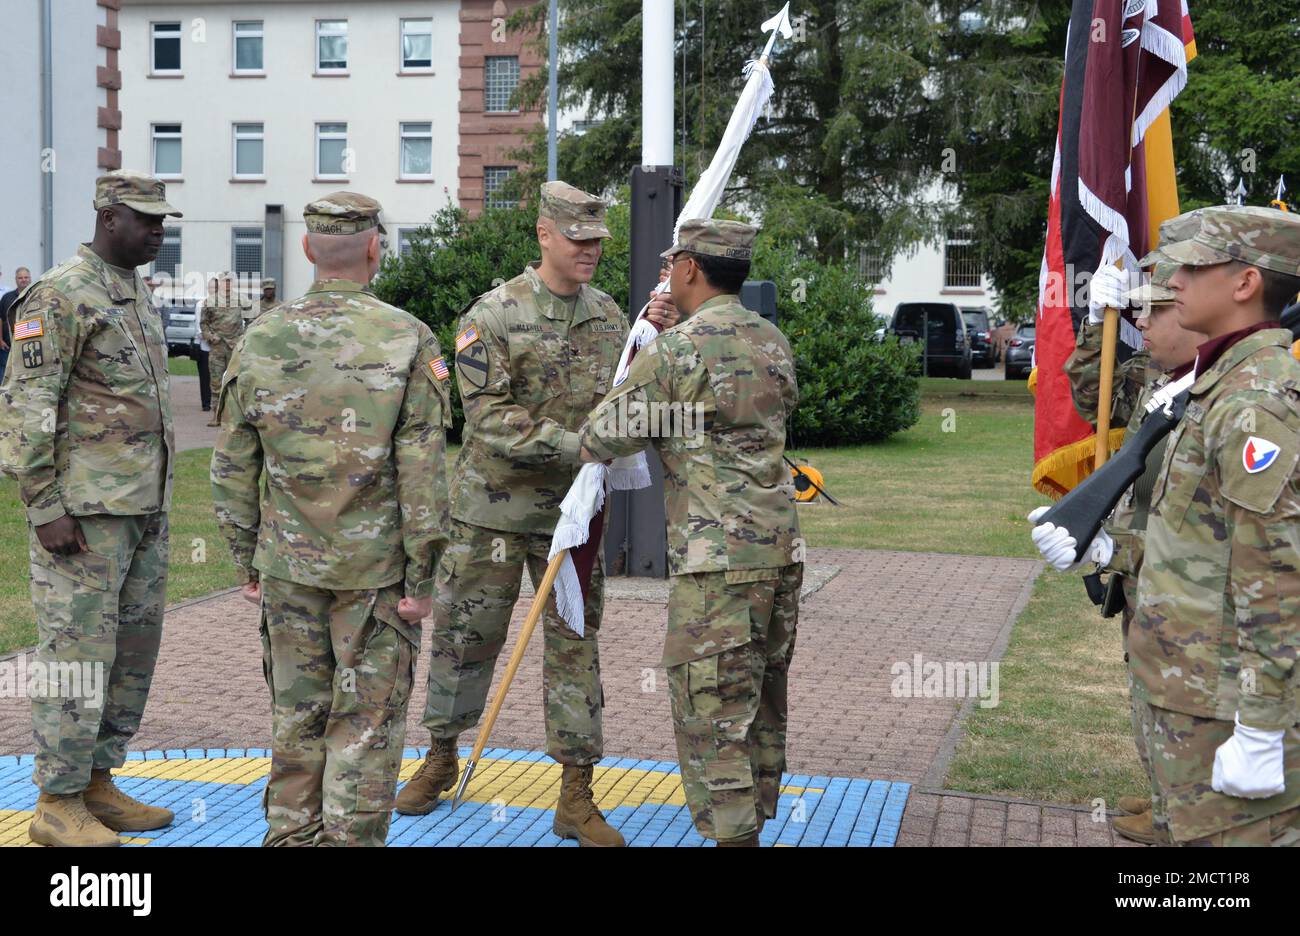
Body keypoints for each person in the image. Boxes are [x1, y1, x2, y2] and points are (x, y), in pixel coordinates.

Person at [395, 181, 677, 847]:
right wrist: (577, 443)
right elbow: (488, 420)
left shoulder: (610, 315)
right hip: (491, 512)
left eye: (598, 243)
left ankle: (576, 794)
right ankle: (439, 757)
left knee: (576, 650)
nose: (590, 252)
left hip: (571, 521)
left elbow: (631, 391)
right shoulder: (492, 315)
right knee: (466, 641)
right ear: (545, 235)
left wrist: (654, 337)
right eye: (578, 241)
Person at [1037, 205, 1300, 847]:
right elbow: (1196, 533)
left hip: (1226, 698)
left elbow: (1276, 576)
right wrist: (1110, 545)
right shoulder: (1214, 389)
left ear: (1245, 284)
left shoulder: (1255, 402)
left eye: (1190, 266)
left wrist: (1263, 725)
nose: (1171, 282)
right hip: (1191, 682)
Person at [210, 192, 451, 847]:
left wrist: (245, 561)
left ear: (309, 249)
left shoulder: (259, 337)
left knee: (297, 718)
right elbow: (423, 475)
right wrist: (421, 579)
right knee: (366, 728)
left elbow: (232, 468)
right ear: (376, 248)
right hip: (374, 579)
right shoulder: (408, 338)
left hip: (287, 570)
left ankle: (290, 838)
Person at [577, 219, 802, 847]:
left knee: (711, 712)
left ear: (689, 271)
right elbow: (735, 414)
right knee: (757, 700)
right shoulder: (772, 339)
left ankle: (734, 838)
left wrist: (647, 348)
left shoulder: (675, 352)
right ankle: (752, 822)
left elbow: (602, 433)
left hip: (716, 562)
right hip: (780, 550)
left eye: (671, 262)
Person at [0, 170, 180, 847]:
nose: (158, 230)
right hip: (81, 517)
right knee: (75, 655)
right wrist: (44, 503)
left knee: (131, 654)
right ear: (108, 217)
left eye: (163, 219)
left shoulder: (133, 291)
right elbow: (23, 407)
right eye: (145, 219)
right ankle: (57, 800)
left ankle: (99, 782)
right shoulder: (60, 294)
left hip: (142, 510)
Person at [1044, 252, 1204, 846]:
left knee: (1180, 698)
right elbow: (1091, 392)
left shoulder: (1215, 395)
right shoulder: (1157, 379)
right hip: (1143, 566)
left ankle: (1176, 813)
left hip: (1178, 573)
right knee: (1147, 688)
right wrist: (1096, 318)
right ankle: (1165, 797)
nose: (1143, 324)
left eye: (1157, 311)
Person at [200, 272, 248, 426]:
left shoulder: (241, 299)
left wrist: (244, 337)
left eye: (229, 281)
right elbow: (204, 323)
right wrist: (210, 336)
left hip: (235, 347)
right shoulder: (210, 301)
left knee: (237, 381)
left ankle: (236, 416)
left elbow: (252, 319)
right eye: (224, 281)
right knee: (216, 382)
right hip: (218, 348)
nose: (227, 284)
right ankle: (216, 415)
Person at [0, 266, 33, 379]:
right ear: (16, 280)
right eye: (20, 278)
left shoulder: (36, 295)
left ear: (30, 279)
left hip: (30, 344)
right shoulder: (7, 297)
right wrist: (0, 340)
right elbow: (0, 319)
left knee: (27, 375)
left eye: (26, 277)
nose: (23, 280)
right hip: (8, 345)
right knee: (5, 374)